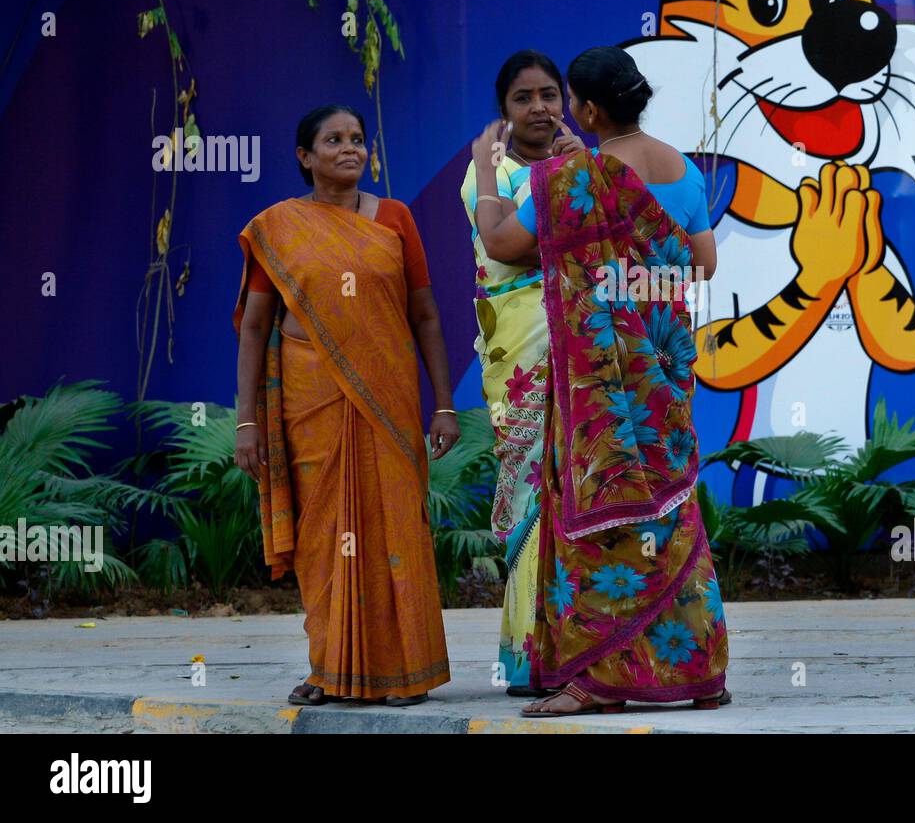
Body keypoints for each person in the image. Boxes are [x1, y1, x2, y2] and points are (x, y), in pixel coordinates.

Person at [470, 46, 728, 717]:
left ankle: (596, 678)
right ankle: (697, 669)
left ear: (584, 109)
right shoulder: (679, 167)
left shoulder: (572, 179)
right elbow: (700, 264)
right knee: (668, 509)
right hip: (664, 373)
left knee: (601, 512)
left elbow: (499, 244)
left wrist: (485, 173)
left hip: (602, 379)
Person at [233, 104, 458, 707]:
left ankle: (404, 671)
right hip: (311, 399)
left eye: (357, 139)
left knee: (392, 526)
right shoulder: (279, 228)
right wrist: (247, 420)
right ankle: (328, 668)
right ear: (305, 156)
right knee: (324, 538)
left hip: (388, 397)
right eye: (333, 141)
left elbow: (425, 314)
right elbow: (255, 327)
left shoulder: (395, 218)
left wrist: (444, 405)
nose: (349, 149)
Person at [459, 50, 581, 696]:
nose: (539, 108)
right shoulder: (488, 175)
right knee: (530, 489)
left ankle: (583, 645)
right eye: (523, 97)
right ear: (502, 111)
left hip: (584, 348)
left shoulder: (579, 167)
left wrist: (579, 167)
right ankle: (529, 657)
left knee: (579, 489)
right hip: (522, 355)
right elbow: (507, 252)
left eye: (550, 95)